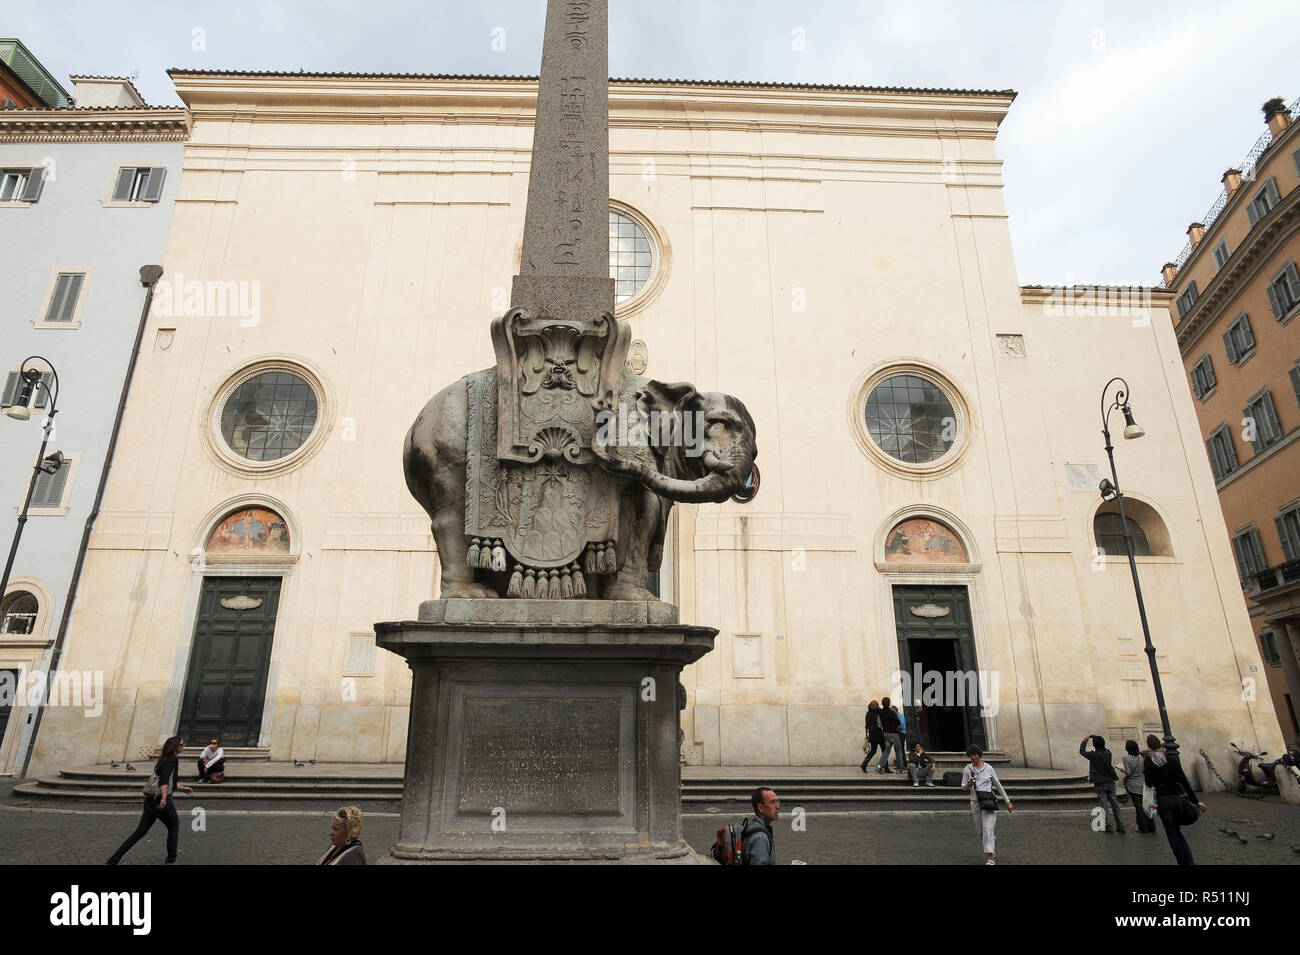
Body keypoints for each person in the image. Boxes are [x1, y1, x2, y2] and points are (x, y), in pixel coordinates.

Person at [106, 736, 193, 865]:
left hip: (150, 800)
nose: (183, 747)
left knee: (139, 832)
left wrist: (182, 788)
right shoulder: (172, 760)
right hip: (162, 800)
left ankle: (113, 860)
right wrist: (164, 798)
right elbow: (163, 781)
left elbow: (166, 780)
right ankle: (171, 860)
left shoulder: (163, 759)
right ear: (175, 746)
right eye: (180, 745)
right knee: (174, 828)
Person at [1143, 735, 1206, 866]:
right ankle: (1189, 861)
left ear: (1148, 746)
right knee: (1177, 832)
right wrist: (1196, 801)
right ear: (1160, 744)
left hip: (1163, 801)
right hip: (1177, 799)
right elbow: (1184, 780)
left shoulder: (1148, 761)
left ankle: (1181, 862)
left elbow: (1148, 783)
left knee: (1172, 834)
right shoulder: (1171, 758)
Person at [961, 745, 1013, 864]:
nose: (974, 757)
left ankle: (990, 858)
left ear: (979, 755)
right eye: (971, 755)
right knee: (980, 831)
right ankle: (992, 841)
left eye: (975, 754)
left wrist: (1007, 801)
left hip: (988, 801)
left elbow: (998, 785)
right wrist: (969, 784)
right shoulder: (967, 769)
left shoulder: (989, 768)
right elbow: (963, 786)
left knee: (987, 830)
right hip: (975, 802)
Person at [1079, 734, 1126, 833]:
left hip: (1099, 781)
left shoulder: (1093, 755)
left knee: (1104, 804)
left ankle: (1109, 826)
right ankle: (1121, 825)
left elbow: (1082, 751)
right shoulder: (1108, 752)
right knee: (1115, 803)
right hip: (1110, 780)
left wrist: (1085, 740)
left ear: (1095, 745)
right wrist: (1097, 737)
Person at [1121, 739, 1155, 833]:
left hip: (1133, 785)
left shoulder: (1126, 758)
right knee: (1147, 806)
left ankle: (1143, 828)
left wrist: (1122, 769)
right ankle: (1152, 827)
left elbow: (1128, 772)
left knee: (1139, 808)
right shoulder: (1141, 757)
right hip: (1143, 783)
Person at [743, 787, 779, 865]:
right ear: (760, 808)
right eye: (772, 802)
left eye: (777, 801)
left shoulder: (754, 827)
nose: (777, 807)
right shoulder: (760, 837)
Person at [878, 696, 903, 773]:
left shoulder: (880, 712)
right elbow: (898, 722)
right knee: (898, 751)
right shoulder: (892, 713)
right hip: (894, 734)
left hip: (885, 734)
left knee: (886, 751)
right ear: (889, 704)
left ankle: (879, 767)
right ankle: (900, 769)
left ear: (882, 703)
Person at [861, 700, 884, 772]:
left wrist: (866, 735)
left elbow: (866, 726)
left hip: (872, 733)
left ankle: (864, 764)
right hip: (879, 733)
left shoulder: (868, 713)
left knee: (873, 751)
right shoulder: (879, 712)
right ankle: (884, 767)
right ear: (877, 705)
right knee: (884, 750)